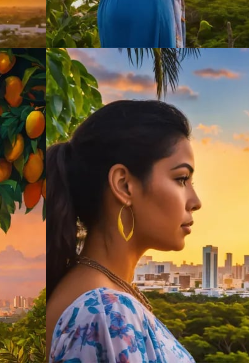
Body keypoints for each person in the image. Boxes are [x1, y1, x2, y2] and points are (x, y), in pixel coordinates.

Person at [45, 100, 201, 362]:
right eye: (181, 179)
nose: (195, 201)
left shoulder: (99, 296)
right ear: (124, 186)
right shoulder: (105, 314)